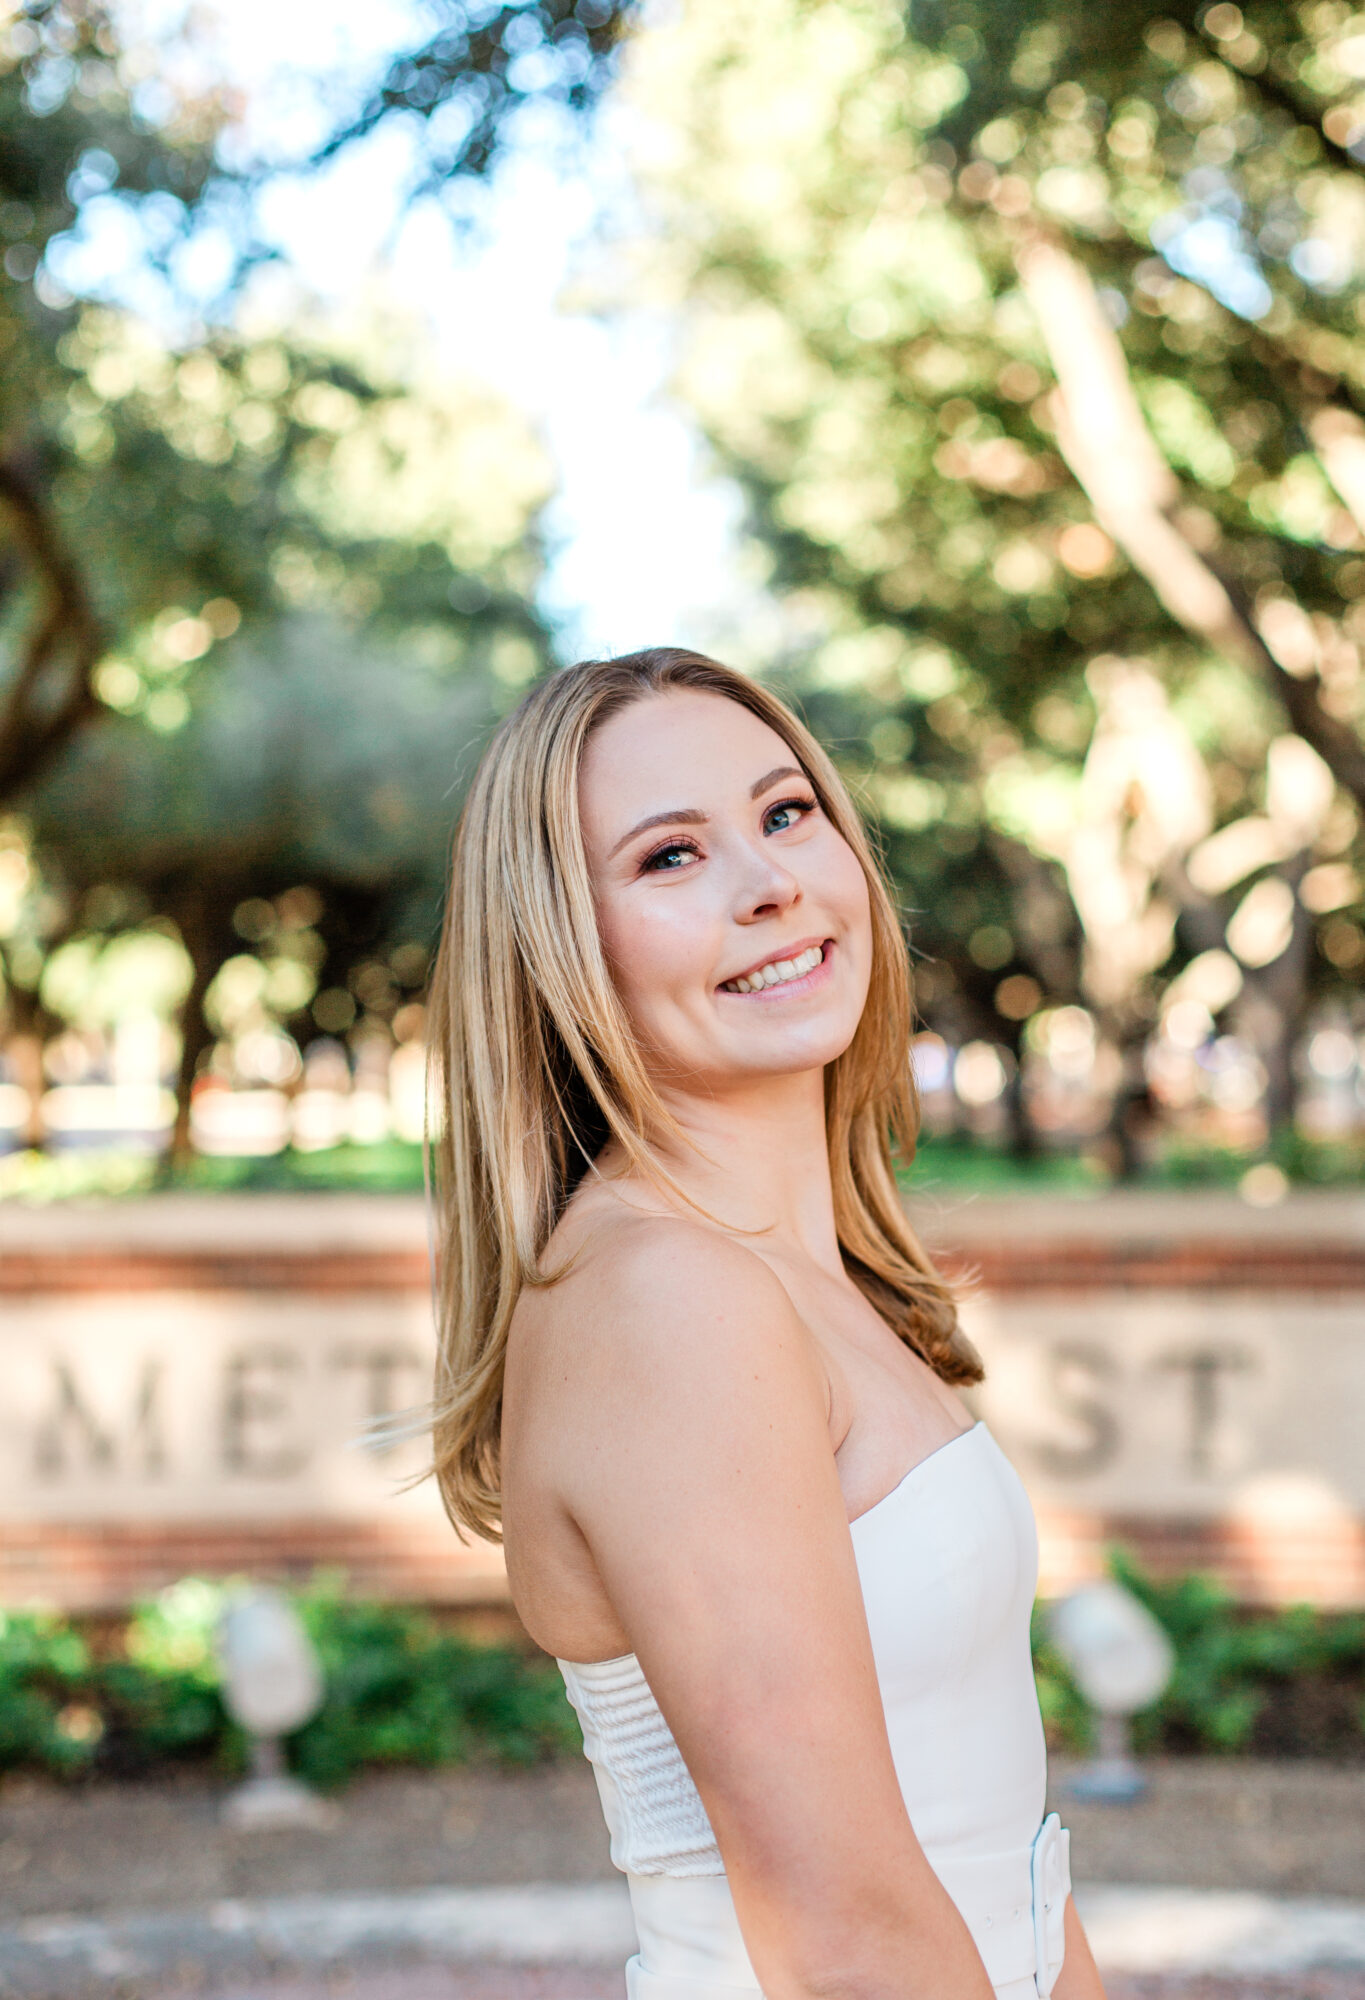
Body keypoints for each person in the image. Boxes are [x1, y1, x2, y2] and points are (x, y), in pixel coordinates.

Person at [426, 647, 1107, 2000]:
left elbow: (1016, 1865)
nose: (769, 883)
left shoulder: (812, 1281)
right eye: (670, 856)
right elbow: (840, 1932)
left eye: (785, 813)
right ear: (563, 946)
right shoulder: (663, 1299)